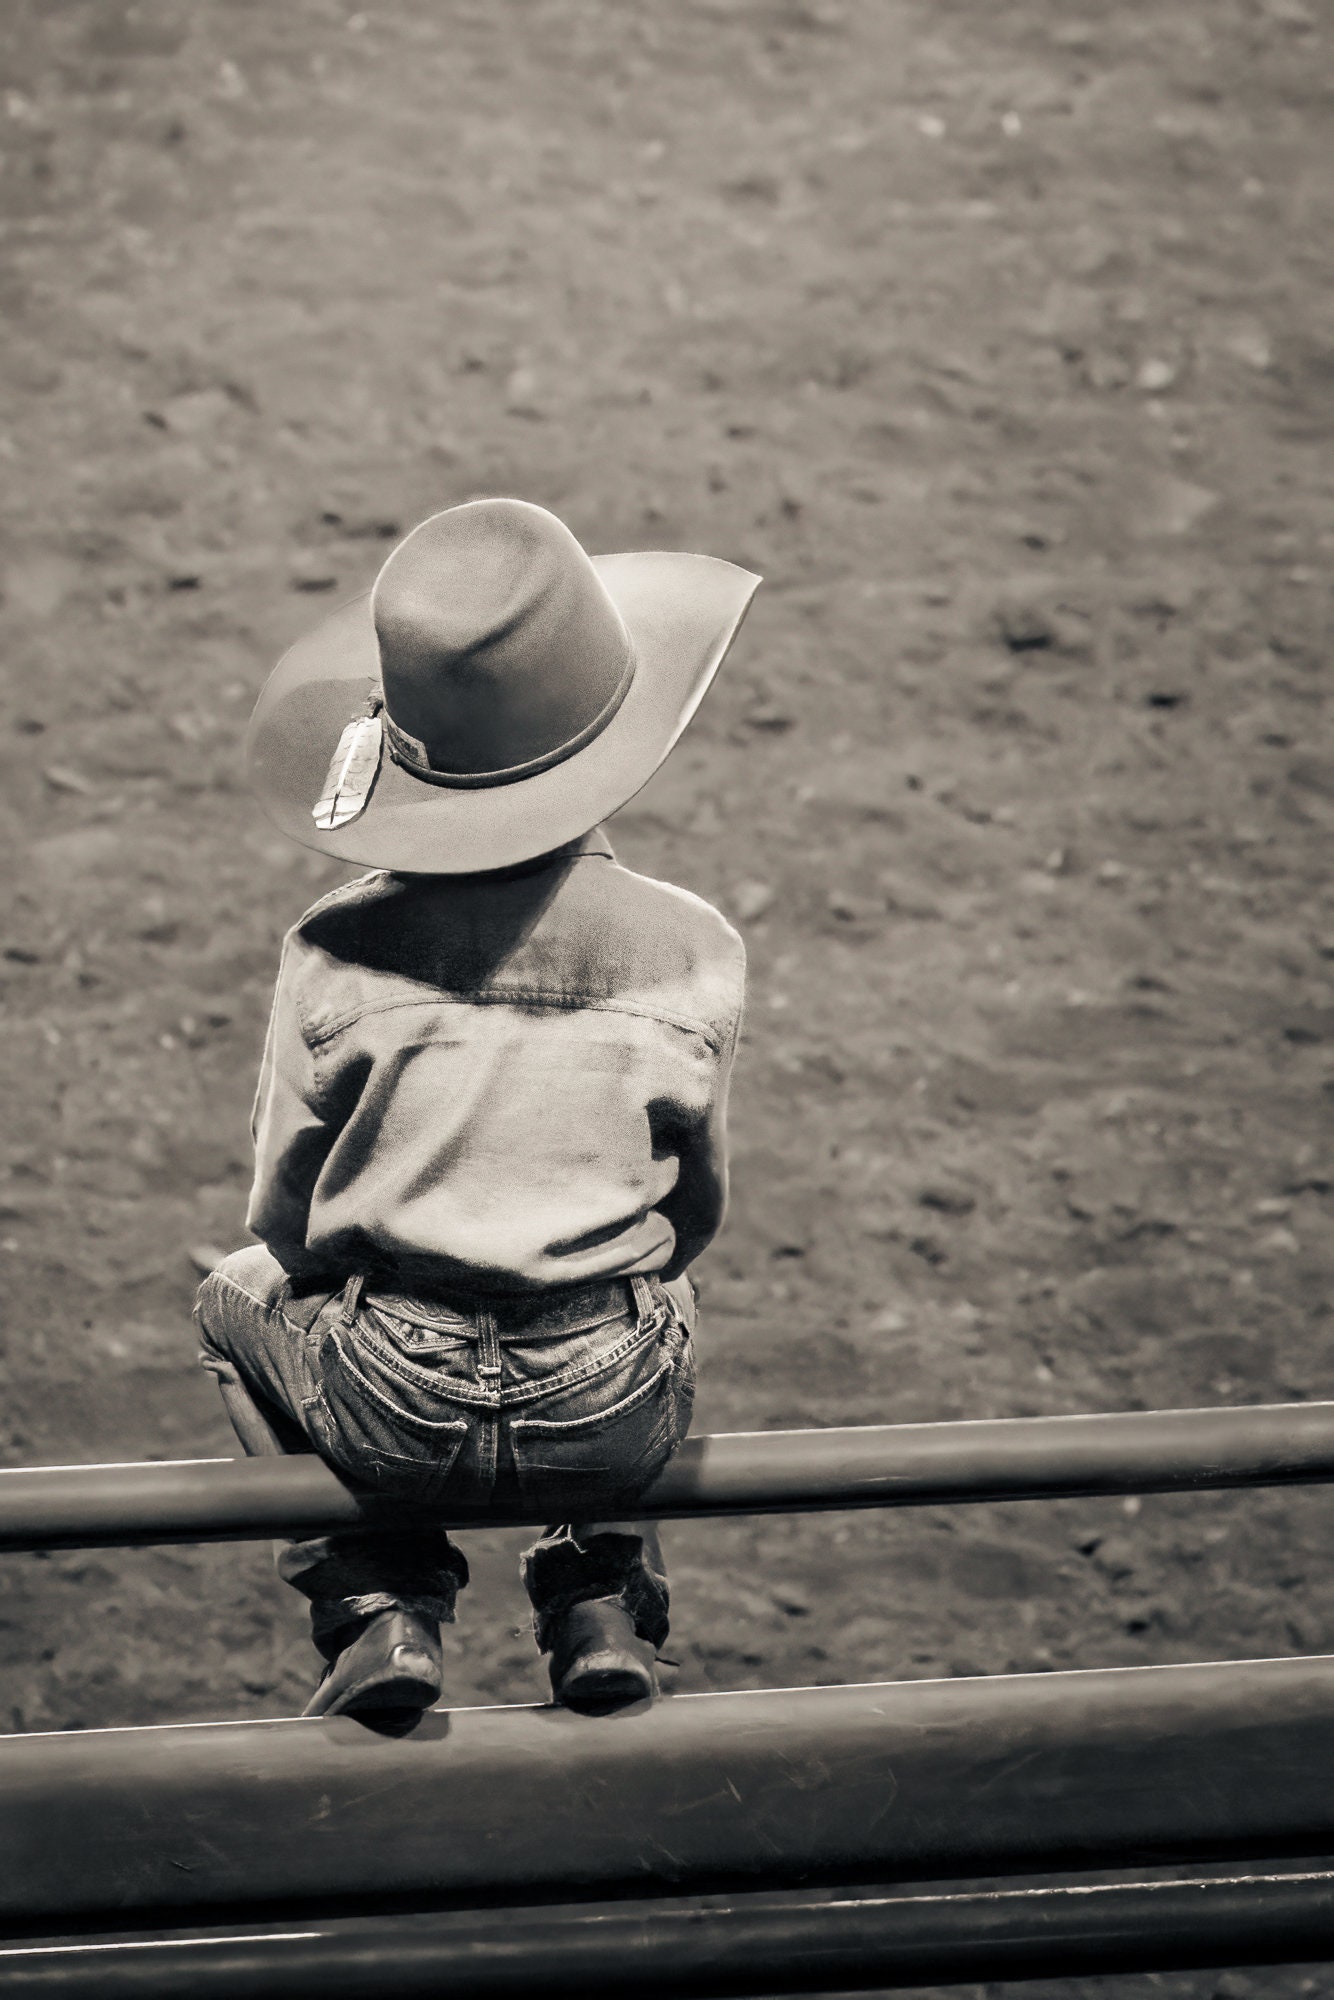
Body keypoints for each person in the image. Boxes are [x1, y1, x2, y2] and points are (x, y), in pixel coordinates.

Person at [195, 498, 758, 1723]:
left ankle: (375, 1601)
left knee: (227, 1295)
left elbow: (284, 1220)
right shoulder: (693, 948)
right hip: (606, 1403)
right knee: (664, 1274)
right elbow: (695, 1208)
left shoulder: (332, 949)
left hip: (393, 1399)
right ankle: (596, 1589)